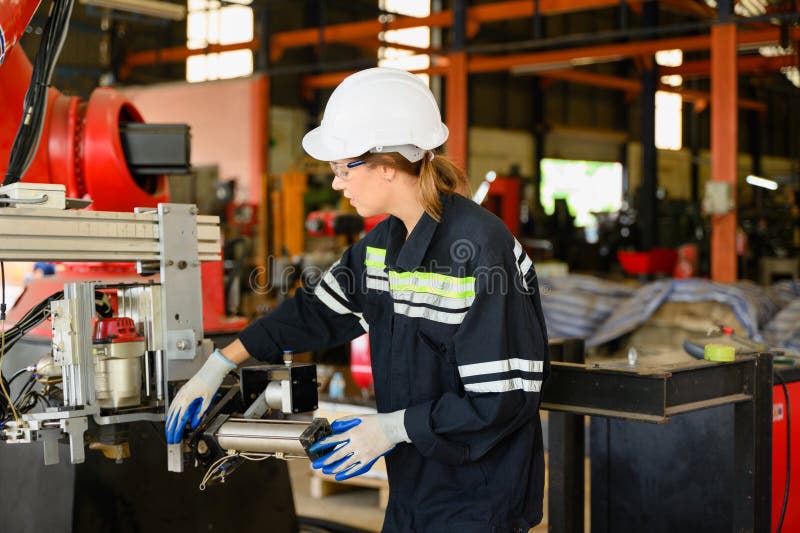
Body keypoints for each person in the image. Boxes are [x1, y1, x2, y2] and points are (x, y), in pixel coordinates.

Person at [166, 67, 550, 533]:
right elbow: (313, 313)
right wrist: (220, 364)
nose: (335, 184)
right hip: (413, 492)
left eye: (341, 169)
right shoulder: (381, 246)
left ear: (386, 166)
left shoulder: (480, 250)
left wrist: (392, 428)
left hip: (477, 500)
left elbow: (501, 400)